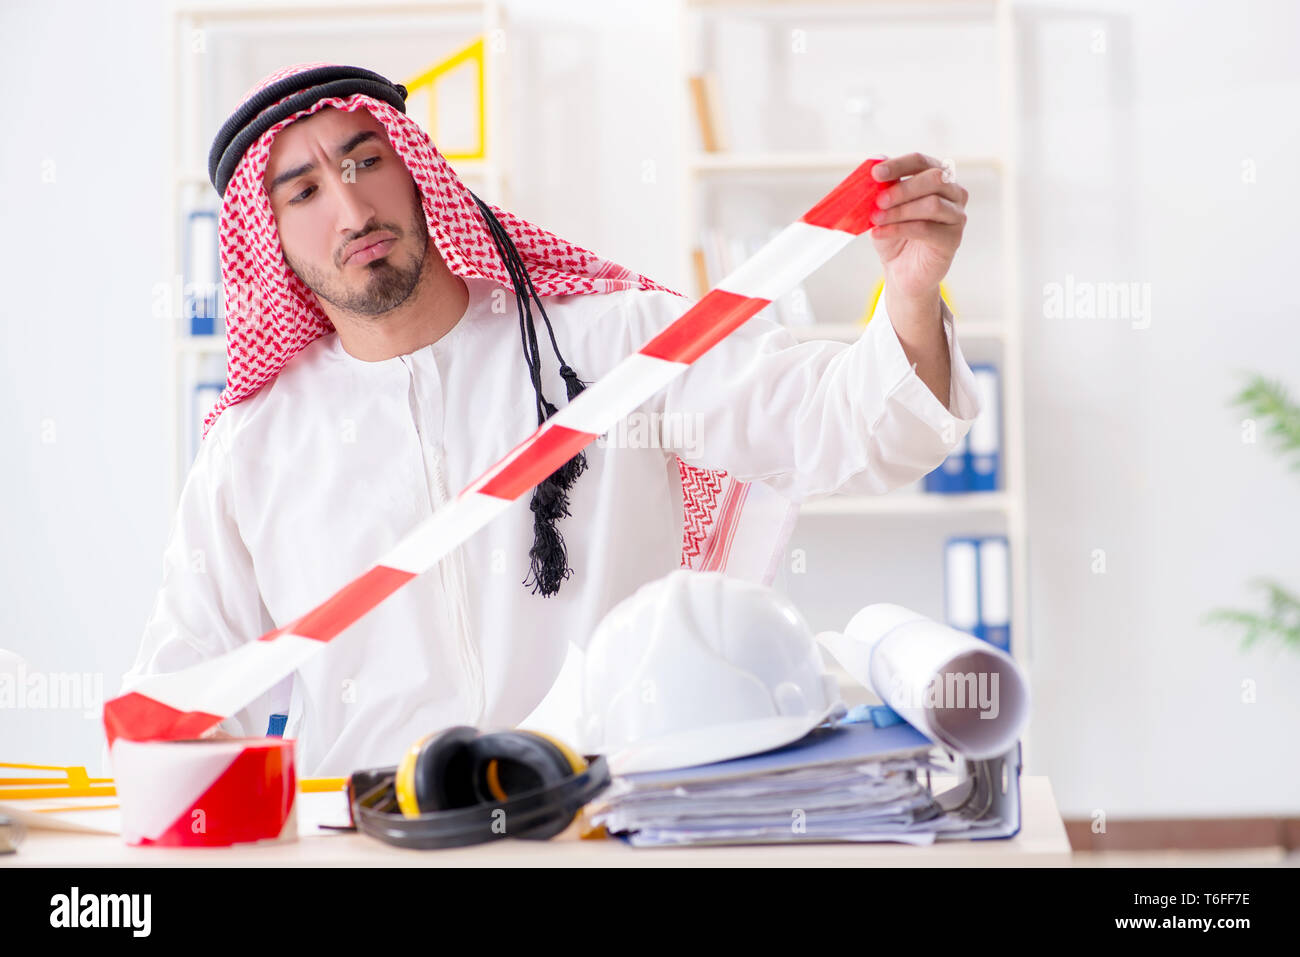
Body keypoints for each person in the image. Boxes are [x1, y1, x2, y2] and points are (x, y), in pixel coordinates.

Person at [117, 63, 981, 777]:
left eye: (363, 162)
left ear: (416, 168)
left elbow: (845, 430)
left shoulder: (619, 342)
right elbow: (183, 689)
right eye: (302, 191)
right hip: (374, 841)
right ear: (265, 237)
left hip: (610, 816)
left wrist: (908, 294)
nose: (350, 211)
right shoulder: (252, 450)